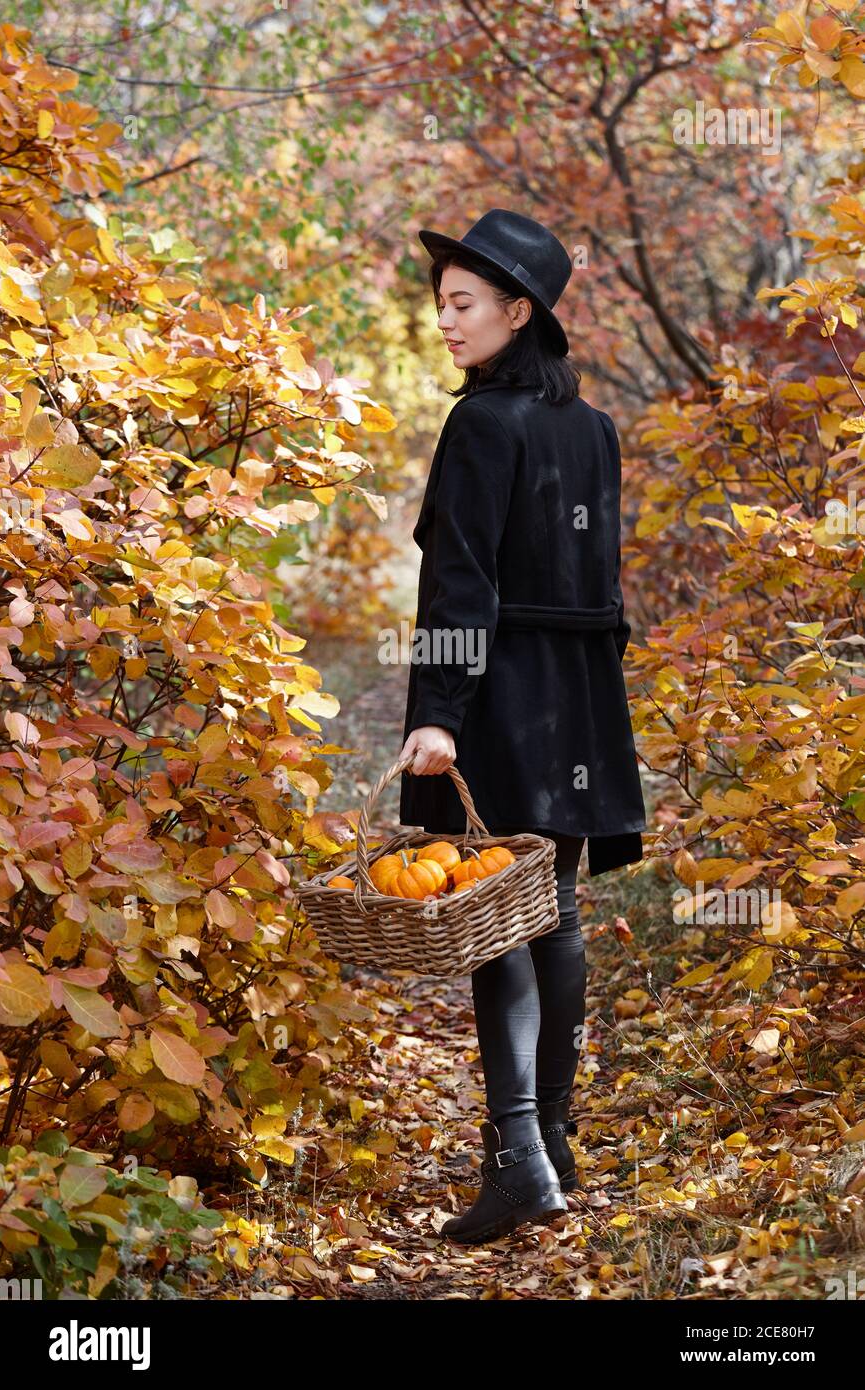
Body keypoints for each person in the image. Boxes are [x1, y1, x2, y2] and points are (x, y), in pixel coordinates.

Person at [397, 209, 647, 1245]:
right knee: (552, 915)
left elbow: (460, 583)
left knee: (494, 926)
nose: (445, 322)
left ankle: (518, 1166)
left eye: (462, 305)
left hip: (500, 693)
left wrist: (437, 717)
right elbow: (594, 581)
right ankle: (550, 1136)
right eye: (440, 304)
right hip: (580, 697)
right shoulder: (589, 428)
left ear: (518, 310)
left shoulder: (480, 424)